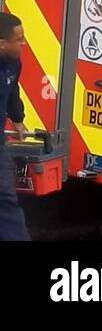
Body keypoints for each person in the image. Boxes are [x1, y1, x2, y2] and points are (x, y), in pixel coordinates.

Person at [0, 12, 30, 241]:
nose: (24, 43)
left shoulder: (13, 63)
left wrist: (17, 119)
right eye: (19, 40)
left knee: (6, 199)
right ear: (2, 44)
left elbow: (12, 91)